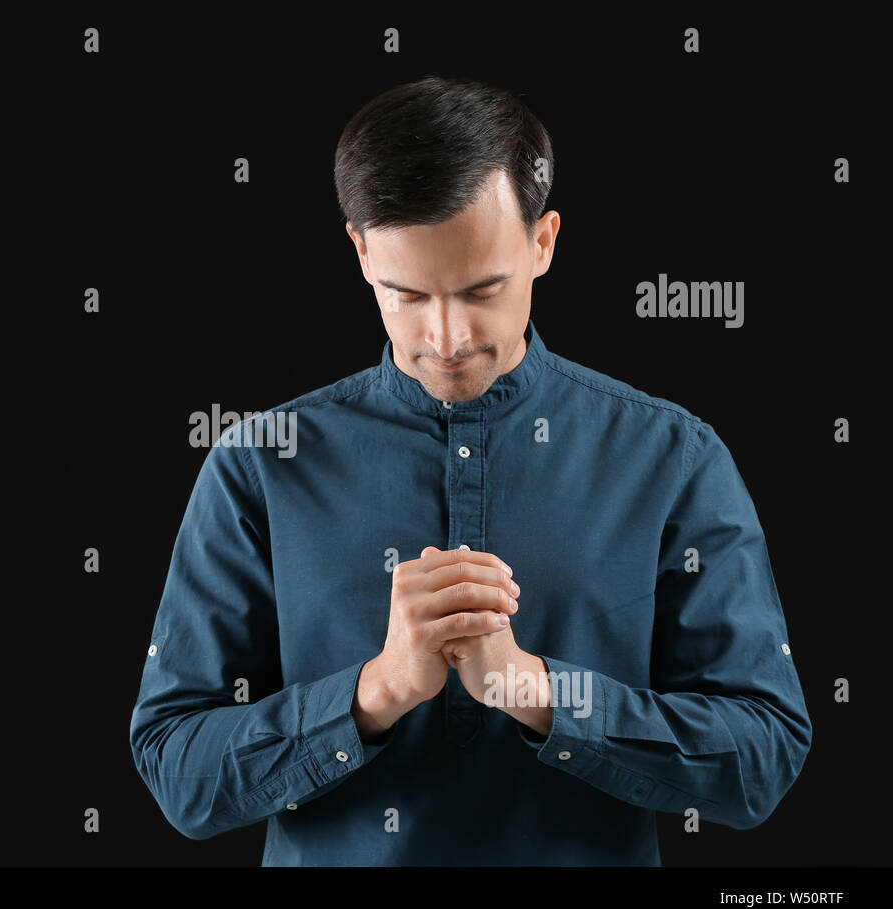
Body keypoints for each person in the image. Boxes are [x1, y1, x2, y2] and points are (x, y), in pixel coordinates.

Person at [128, 74, 811, 865]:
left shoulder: (673, 457)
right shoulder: (258, 466)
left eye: (482, 289)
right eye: (406, 293)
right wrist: (375, 694)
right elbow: (179, 774)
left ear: (544, 242)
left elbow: (761, 759)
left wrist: (537, 690)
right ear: (358, 252)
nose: (446, 336)